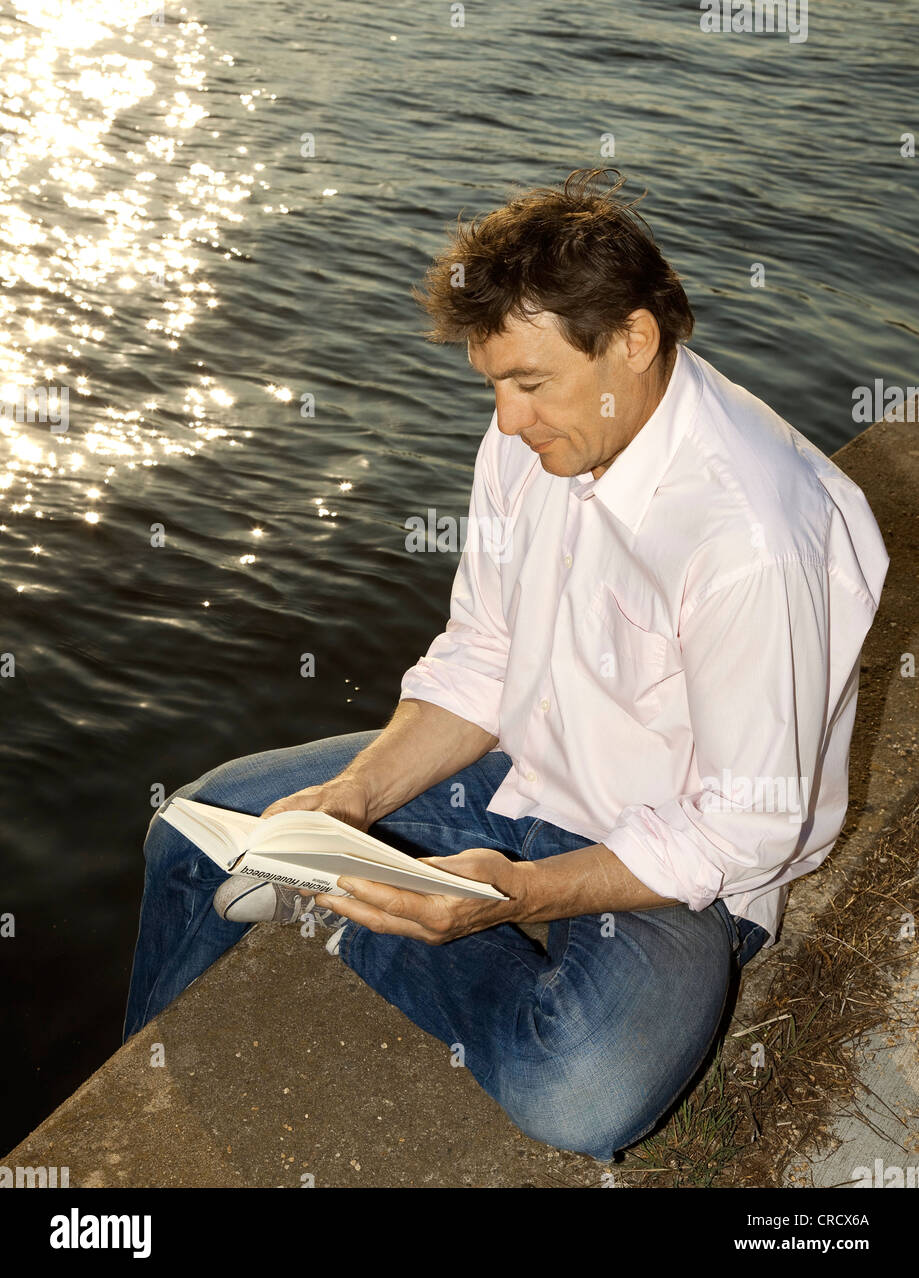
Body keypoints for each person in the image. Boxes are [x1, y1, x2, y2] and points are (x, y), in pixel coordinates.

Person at [124, 169, 889, 1161]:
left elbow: (743, 825)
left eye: (530, 383)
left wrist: (515, 895)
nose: (508, 420)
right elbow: (485, 659)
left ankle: (345, 918)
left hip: (671, 859)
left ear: (633, 340)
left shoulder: (749, 533)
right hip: (534, 763)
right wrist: (355, 799)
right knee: (196, 828)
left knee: (580, 1098)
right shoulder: (540, 435)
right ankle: (157, 1075)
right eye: (494, 383)